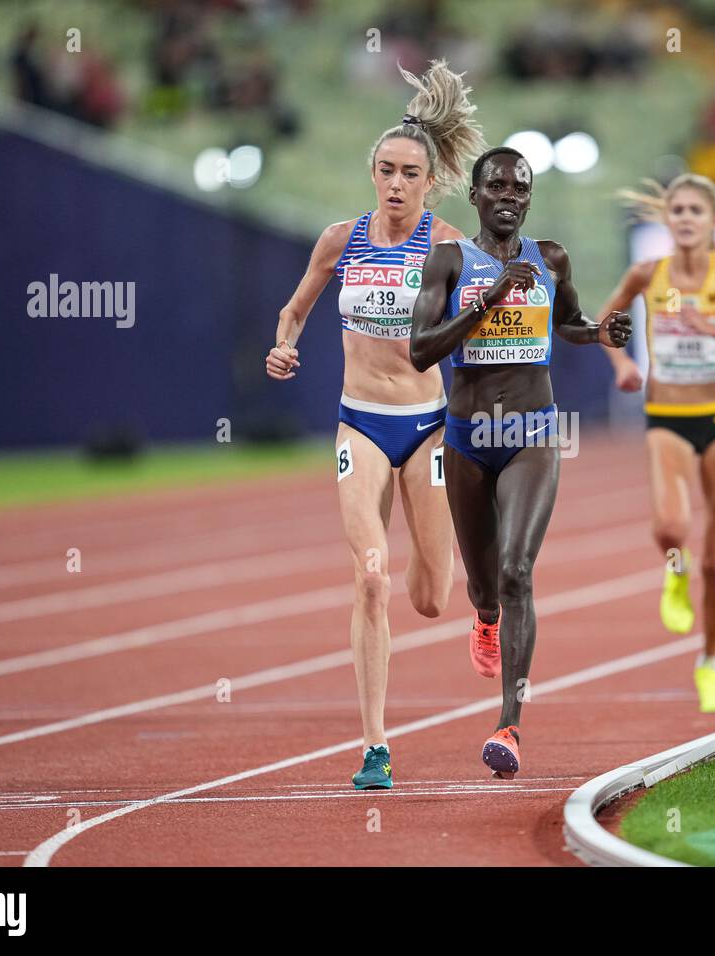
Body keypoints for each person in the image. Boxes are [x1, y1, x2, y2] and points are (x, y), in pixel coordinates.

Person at [266, 61, 486, 790]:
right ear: (373, 174)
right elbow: (295, 307)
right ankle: (375, 746)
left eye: (410, 173)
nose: (396, 184)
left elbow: (495, 320)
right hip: (358, 423)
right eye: (386, 170)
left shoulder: (446, 244)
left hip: (426, 428)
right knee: (369, 579)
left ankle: (472, 599)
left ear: (429, 182)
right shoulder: (341, 240)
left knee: (431, 597)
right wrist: (286, 342)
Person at [409, 147, 633, 776]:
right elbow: (421, 352)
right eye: (497, 185)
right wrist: (490, 300)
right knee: (484, 587)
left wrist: (601, 333)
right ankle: (483, 619)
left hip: (533, 430)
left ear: (528, 200)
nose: (509, 195)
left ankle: (509, 725)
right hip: (467, 436)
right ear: (475, 197)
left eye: (520, 187)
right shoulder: (450, 261)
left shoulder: (550, 257)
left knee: (516, 572)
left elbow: (570, 322)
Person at [598, 174, 715, 713]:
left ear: (714, 221)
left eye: (695, 211)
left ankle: (710, 661)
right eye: (677, 209)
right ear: (667, 218)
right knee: (669, 527)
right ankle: (674, 569)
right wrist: (622, 362)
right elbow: (604, 323)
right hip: (667, 415)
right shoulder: (646, 273)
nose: (685, 218)